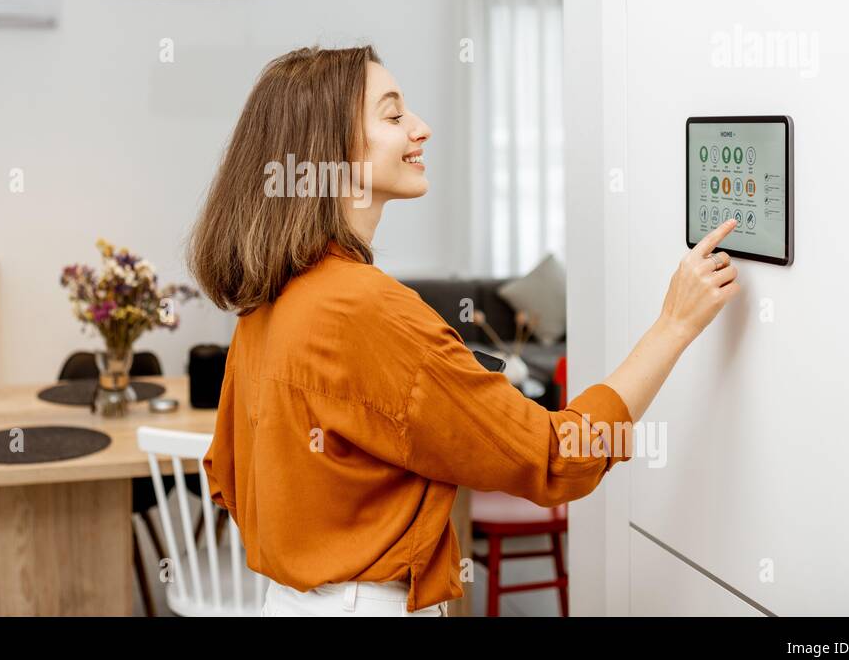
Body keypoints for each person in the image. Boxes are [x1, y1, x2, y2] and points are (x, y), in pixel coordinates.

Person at [188, 44, 741, 616]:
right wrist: (674, 325)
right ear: (331, 150)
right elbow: (556, 457)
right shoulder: (366, 307)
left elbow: (226, 476)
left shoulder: (266, 301)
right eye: (394, 115)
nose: (421, 129)